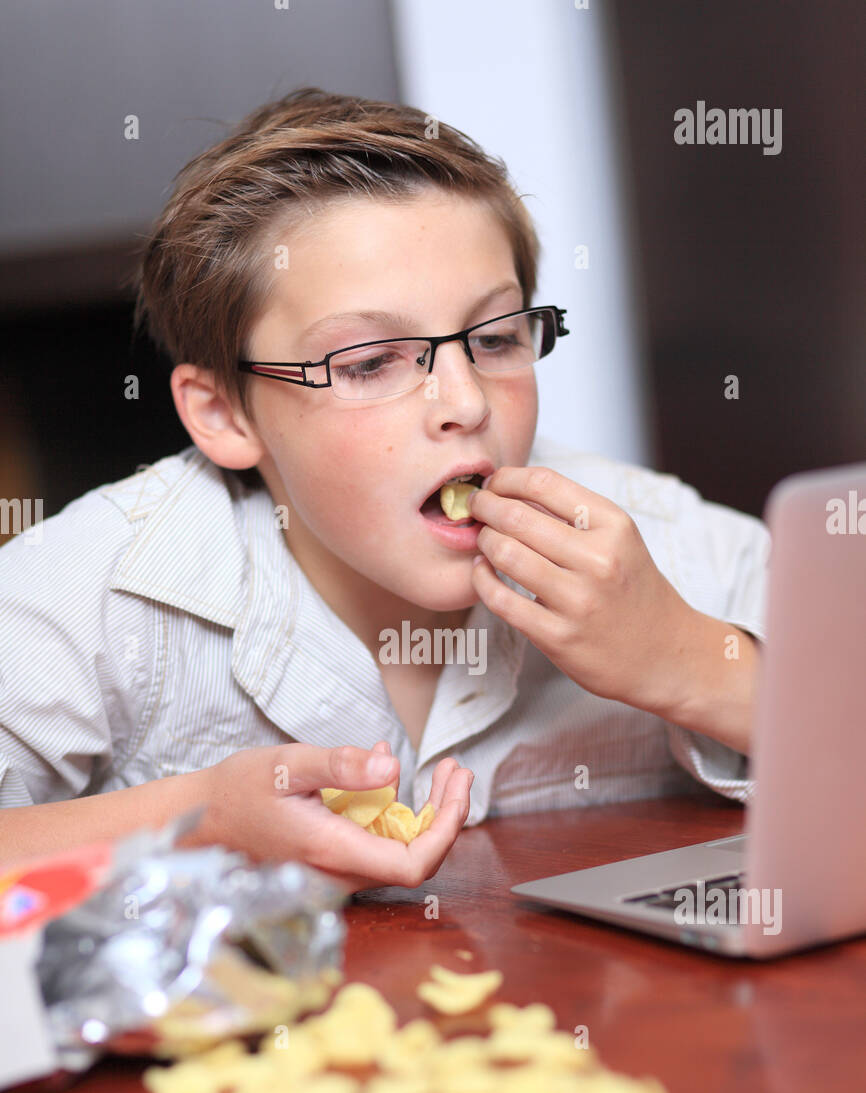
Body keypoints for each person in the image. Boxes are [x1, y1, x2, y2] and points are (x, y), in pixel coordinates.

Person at [0, 88, 769, 894]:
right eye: (370, 363)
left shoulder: (662, 543)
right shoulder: (94, 591)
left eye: (497, 339)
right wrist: (198, 821)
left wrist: (685, 662)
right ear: (225, 412)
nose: (466, 404)